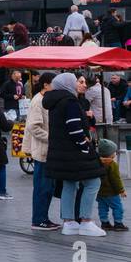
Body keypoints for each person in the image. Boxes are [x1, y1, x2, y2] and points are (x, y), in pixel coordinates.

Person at [43, 72, 106, 237]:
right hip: (74, 152)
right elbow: (74, 127)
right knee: (93, 182)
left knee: (70, 184)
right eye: (79, 82)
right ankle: (85, 221)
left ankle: (69, 222)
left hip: (62, 152)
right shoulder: (70, 101)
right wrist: (85, 145)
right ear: (69, 85)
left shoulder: (55, 101)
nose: (84, 85)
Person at [23, 72, 58, 229]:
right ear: (46, 84)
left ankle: (43, 217)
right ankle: (38, 219)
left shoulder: (47, 100)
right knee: (42, 187)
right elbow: (33, 126)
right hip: (42, 150)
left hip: (48, 150)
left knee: (48, 187)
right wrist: (51, 138)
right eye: (54, 83)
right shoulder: (38, 101)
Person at [95, 138, 127, 232]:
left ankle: (104, 223)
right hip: (111, 192)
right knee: (117, 207)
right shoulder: (112, 164)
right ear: (110, 154)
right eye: (114, 152)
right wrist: (121, 190)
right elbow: (116, 179)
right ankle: (118, 223)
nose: (115, 153)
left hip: (100, 192)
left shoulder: (97, 163)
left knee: (102, 207)